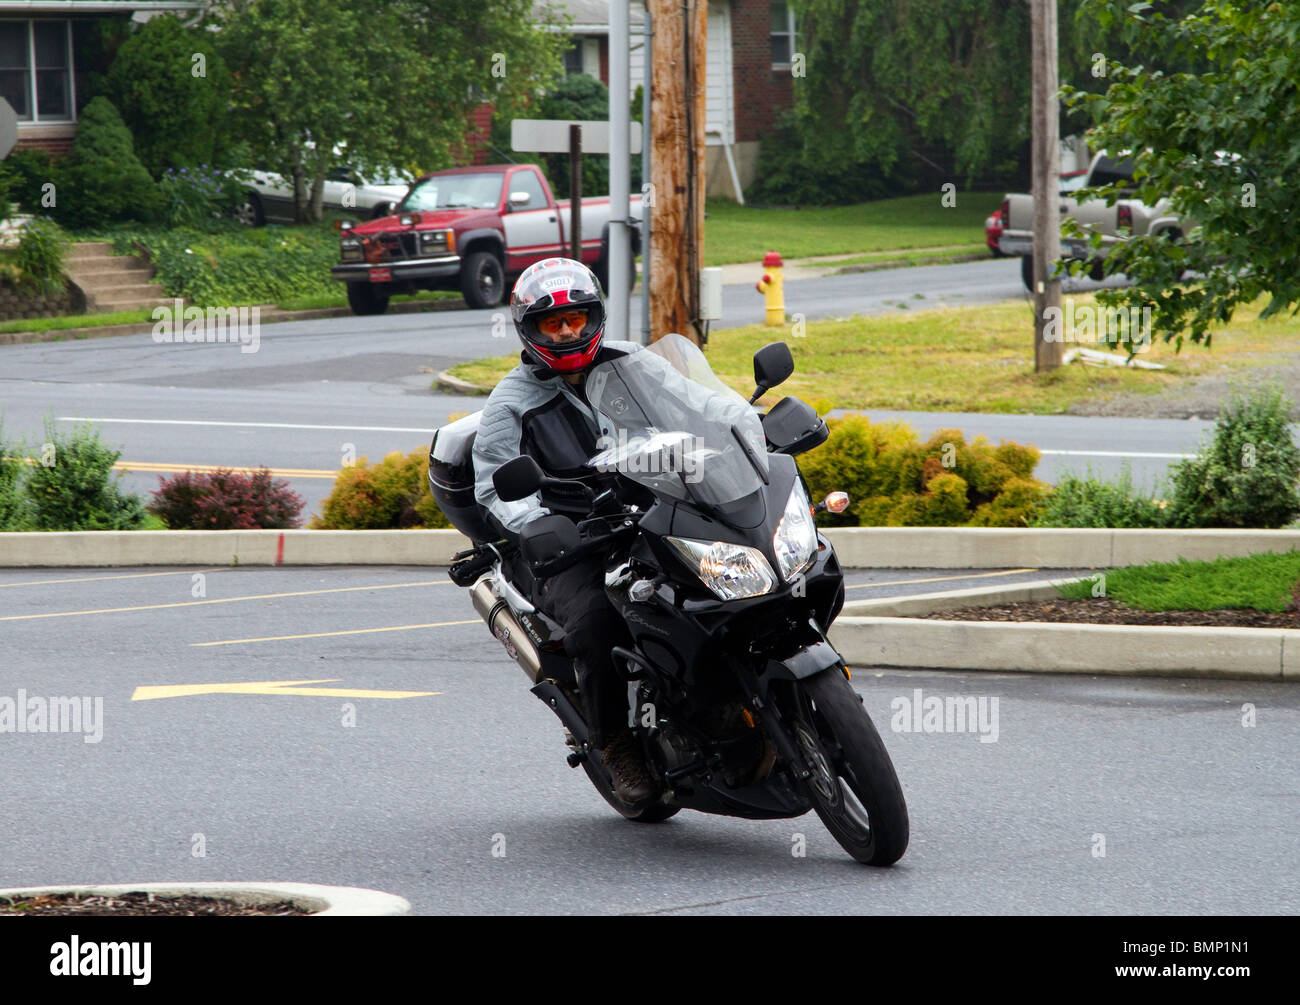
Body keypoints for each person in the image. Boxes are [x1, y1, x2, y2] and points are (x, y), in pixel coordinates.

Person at [472, 258, 657, 808]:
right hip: (568, 543)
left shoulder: (633, 365)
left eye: (577, 318)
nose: (570, 332)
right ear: (532, 331)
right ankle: (614, 742)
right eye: (554, 325)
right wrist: (539, 528)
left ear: (595, 315)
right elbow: (492, 486)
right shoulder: (509, 405)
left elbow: (698, 414)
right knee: (600, 620)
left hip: (645, 517)